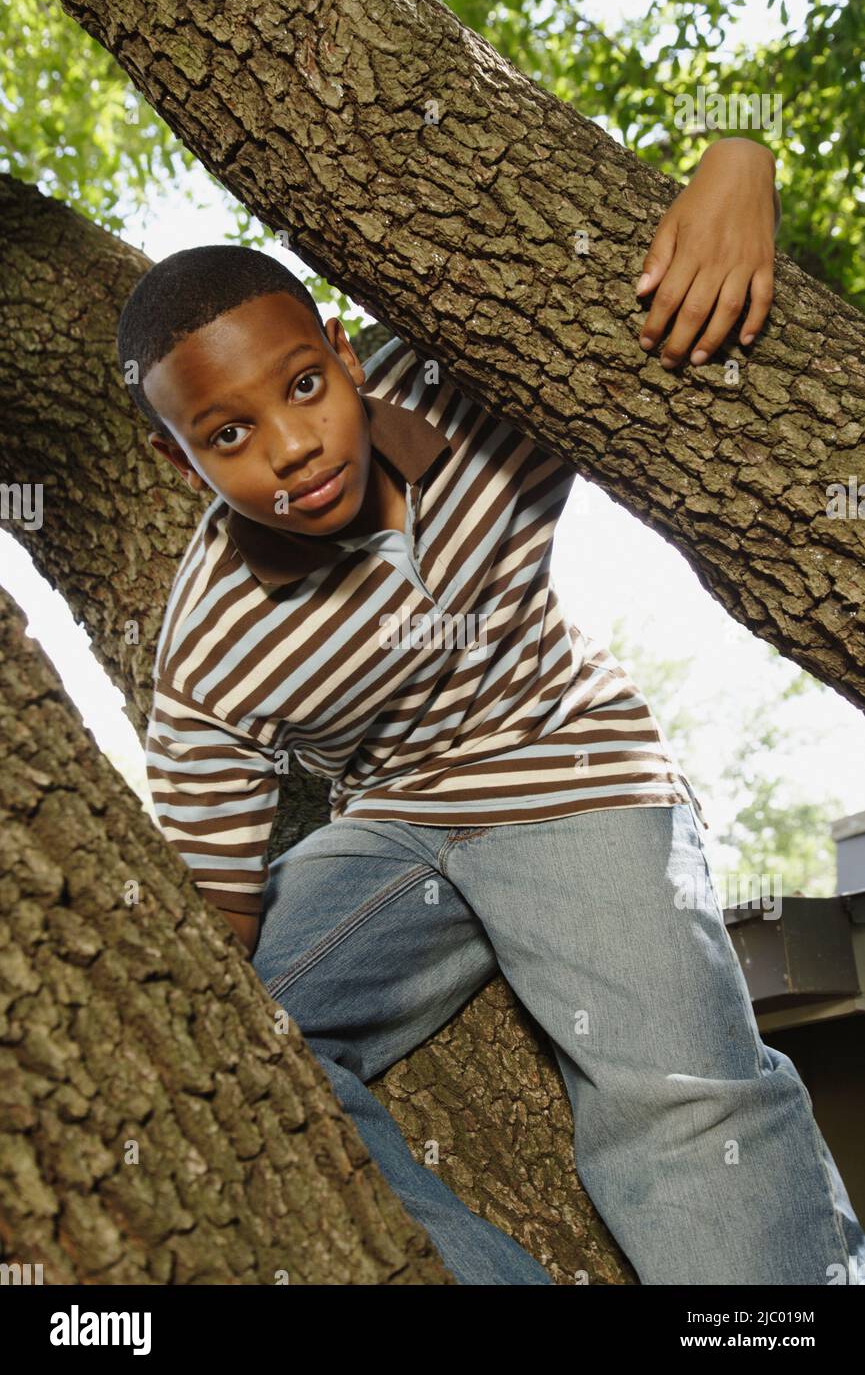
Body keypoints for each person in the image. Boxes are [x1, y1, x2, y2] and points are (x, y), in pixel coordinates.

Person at [117, 140, 864, 1283]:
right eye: (227, 437)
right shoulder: (210, 649)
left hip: (572, 773)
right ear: (183, 469)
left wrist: (740, 161)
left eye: (304, 386)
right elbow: (208, 924)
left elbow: (630, 255)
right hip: (394, 829)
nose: (291, 447)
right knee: (226, 1036)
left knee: (686, 1101)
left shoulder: (463, 385)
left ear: (336, 348)